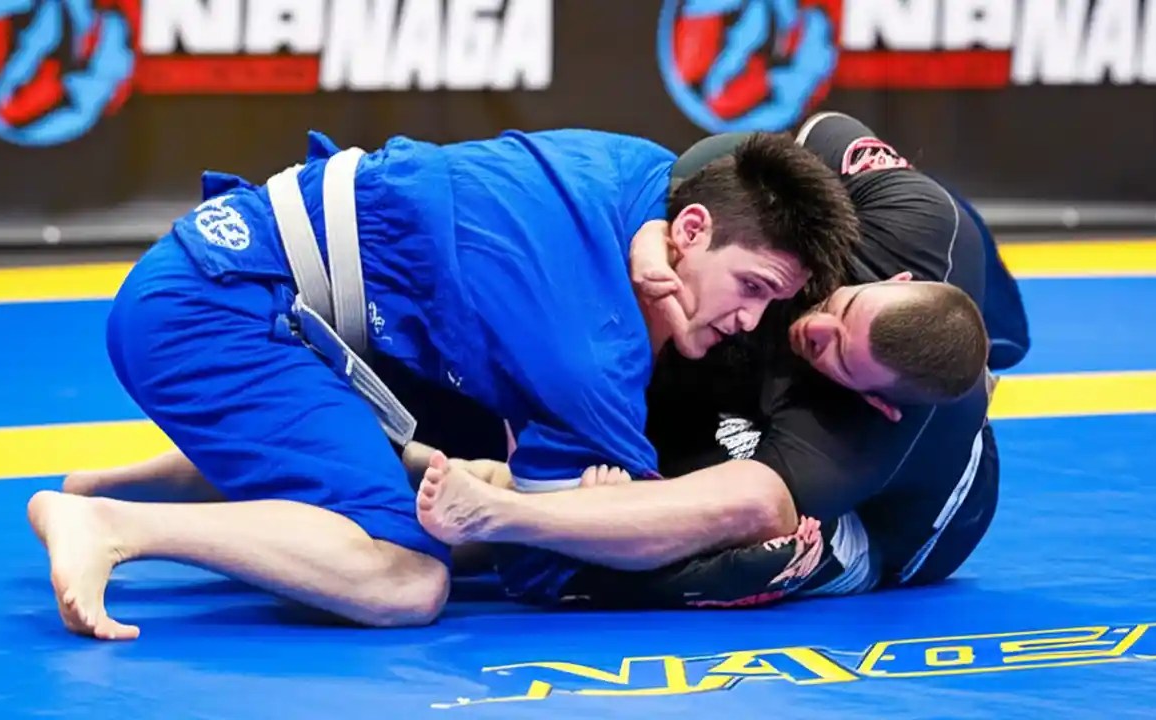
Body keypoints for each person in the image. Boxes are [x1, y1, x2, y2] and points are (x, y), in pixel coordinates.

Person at [26, 127, 860, 640]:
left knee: (455, 447)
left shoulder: (635, 173)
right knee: (407, 579)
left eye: (771, 302)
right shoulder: (590, 351)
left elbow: (664, 195)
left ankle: (118, 484)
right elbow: (541, 565)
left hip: (239, 275)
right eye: (750, 286)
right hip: (220, 316)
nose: (750, 322)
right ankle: (109, 521)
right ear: (690, 231)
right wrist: (626, 518)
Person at [412, 111, 1026, 608]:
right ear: (893, 279)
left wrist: (525, 516)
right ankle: (999, 340)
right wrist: (654, 236)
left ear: (873, 399)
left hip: (890, 530)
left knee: (756, 546)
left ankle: (504, 512)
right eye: (843, 309)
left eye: (836, 353)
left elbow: (750, 504)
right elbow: (770, 153)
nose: (814, 327)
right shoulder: (922, 222)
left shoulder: (848, 439)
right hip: (775, 375)